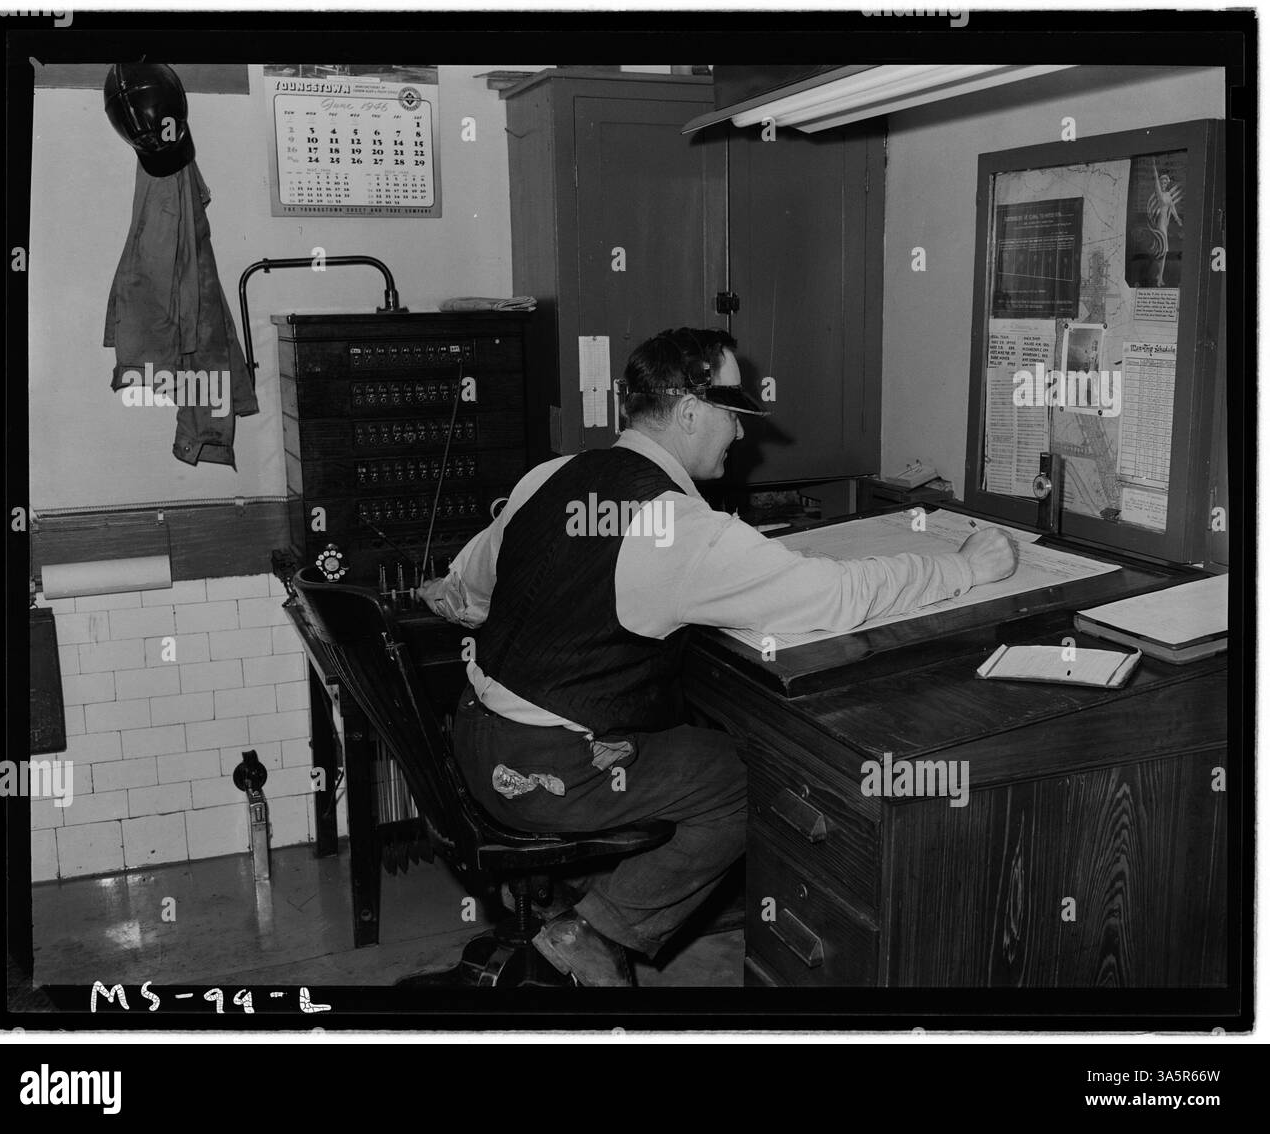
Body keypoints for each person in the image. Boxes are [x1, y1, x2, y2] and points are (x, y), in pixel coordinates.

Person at [419, 327, 1016, 986]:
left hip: (473, 737)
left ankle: (587, 897)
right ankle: (595, 930)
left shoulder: (552, 475)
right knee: (752, 778)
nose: (738, 433)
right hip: (548, 772)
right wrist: (960, 568)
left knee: (690, 742)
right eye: (733, 414)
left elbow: (467, 591)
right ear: (689, 412)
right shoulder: (677, 528)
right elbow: (838, 598)